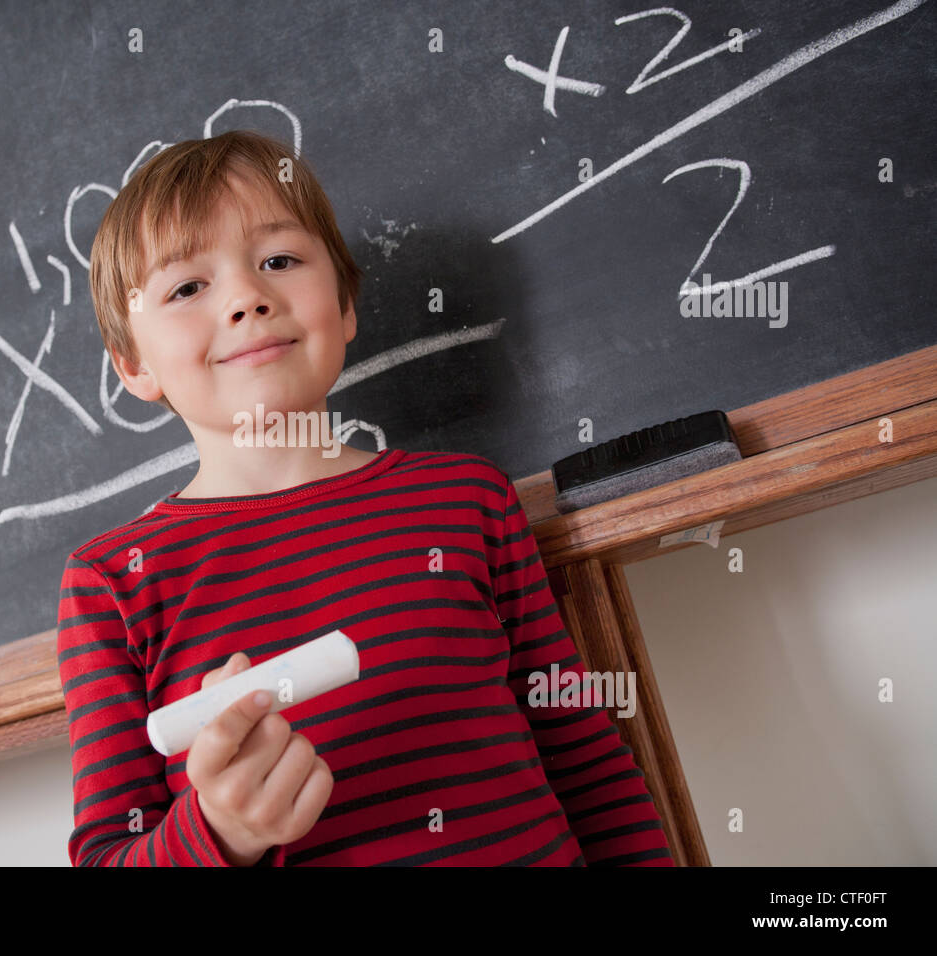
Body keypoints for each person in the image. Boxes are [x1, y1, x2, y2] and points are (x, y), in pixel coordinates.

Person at [56, 129, 673, 866]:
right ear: (133, 364)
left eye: (278, 261)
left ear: (344, 304)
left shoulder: (467, 502)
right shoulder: (112, 583)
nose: (248, 298)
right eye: (188, 288)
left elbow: (588, 765)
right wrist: (222, 833)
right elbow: (107, 853)